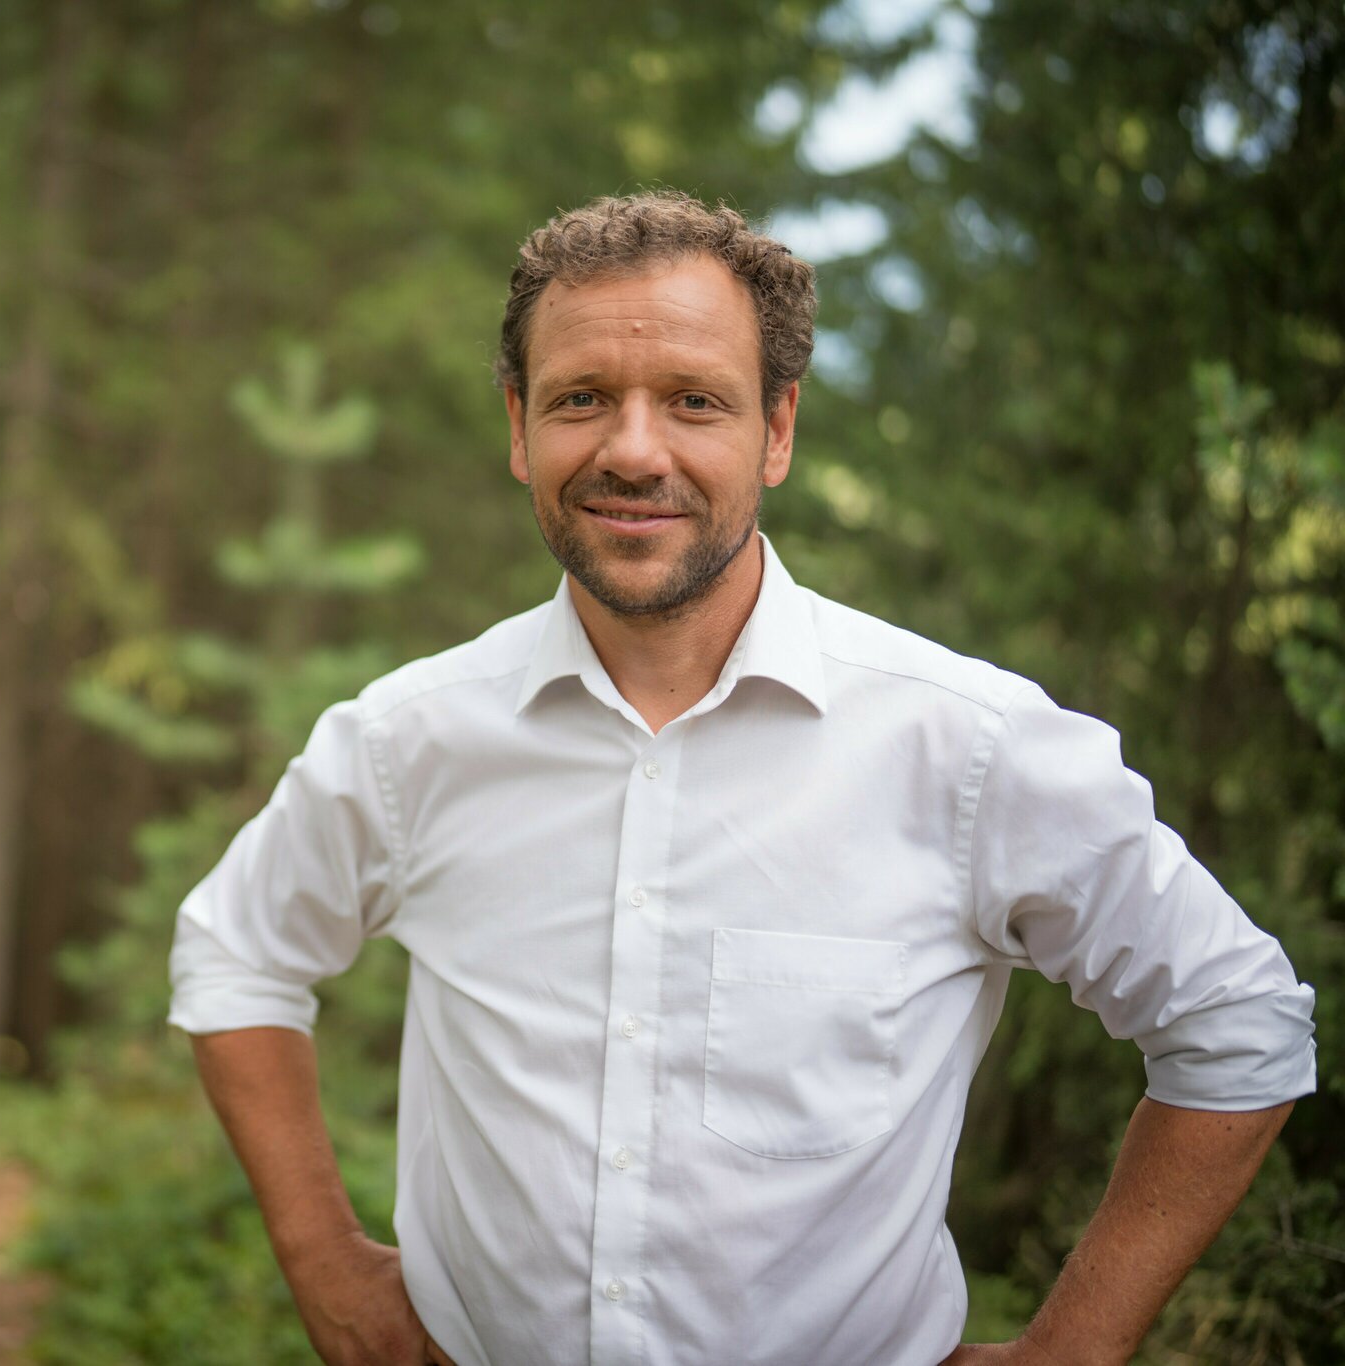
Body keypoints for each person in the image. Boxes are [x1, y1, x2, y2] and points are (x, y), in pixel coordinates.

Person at [165, 190, 1317, 1366]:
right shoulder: (408, 738)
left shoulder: (968, 747)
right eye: (578, 400)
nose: (629, 449)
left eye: (693, 402)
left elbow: (1235, 1024)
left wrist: (1070, 1351)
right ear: (517, 427)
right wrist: (324, 1265)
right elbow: (235, 950)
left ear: (775, 431)